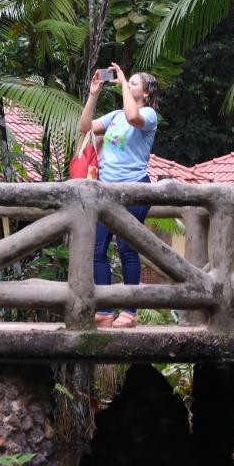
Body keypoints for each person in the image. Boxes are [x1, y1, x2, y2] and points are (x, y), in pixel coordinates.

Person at [78, 62, 161, 329]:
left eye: (134, 83)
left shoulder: (148, 114)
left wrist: (124, 82)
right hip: (106, 190)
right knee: (97, 249)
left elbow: (133, 117)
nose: (127, 84)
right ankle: (104, 310)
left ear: (146, 93)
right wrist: (93, 94)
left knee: (127, 249)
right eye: (128, 81)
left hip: (134, 190)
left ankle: (130, 311)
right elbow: (84, 128)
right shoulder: (114, 116)